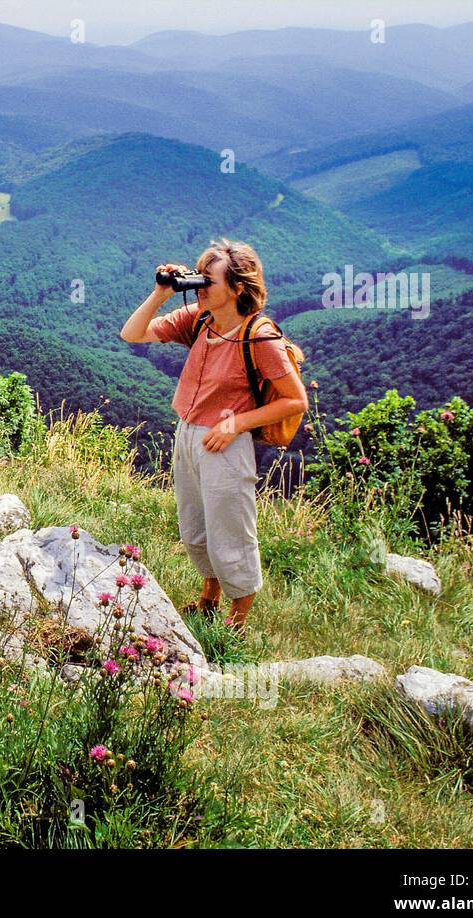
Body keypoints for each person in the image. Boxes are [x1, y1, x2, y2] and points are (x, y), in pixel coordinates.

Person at [119, 238, 308, 632]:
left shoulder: (260, 336)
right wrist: (161, 293)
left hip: (224, 442)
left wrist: (236, 423)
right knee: (194, 527)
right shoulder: (199, 318)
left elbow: (295, 401)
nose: (201, 288)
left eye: (210, 281)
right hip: (188, 432)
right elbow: (132, 334)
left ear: (238, 288)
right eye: (199, 280)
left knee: (231, 532)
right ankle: (209, 597)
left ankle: (236, 623)